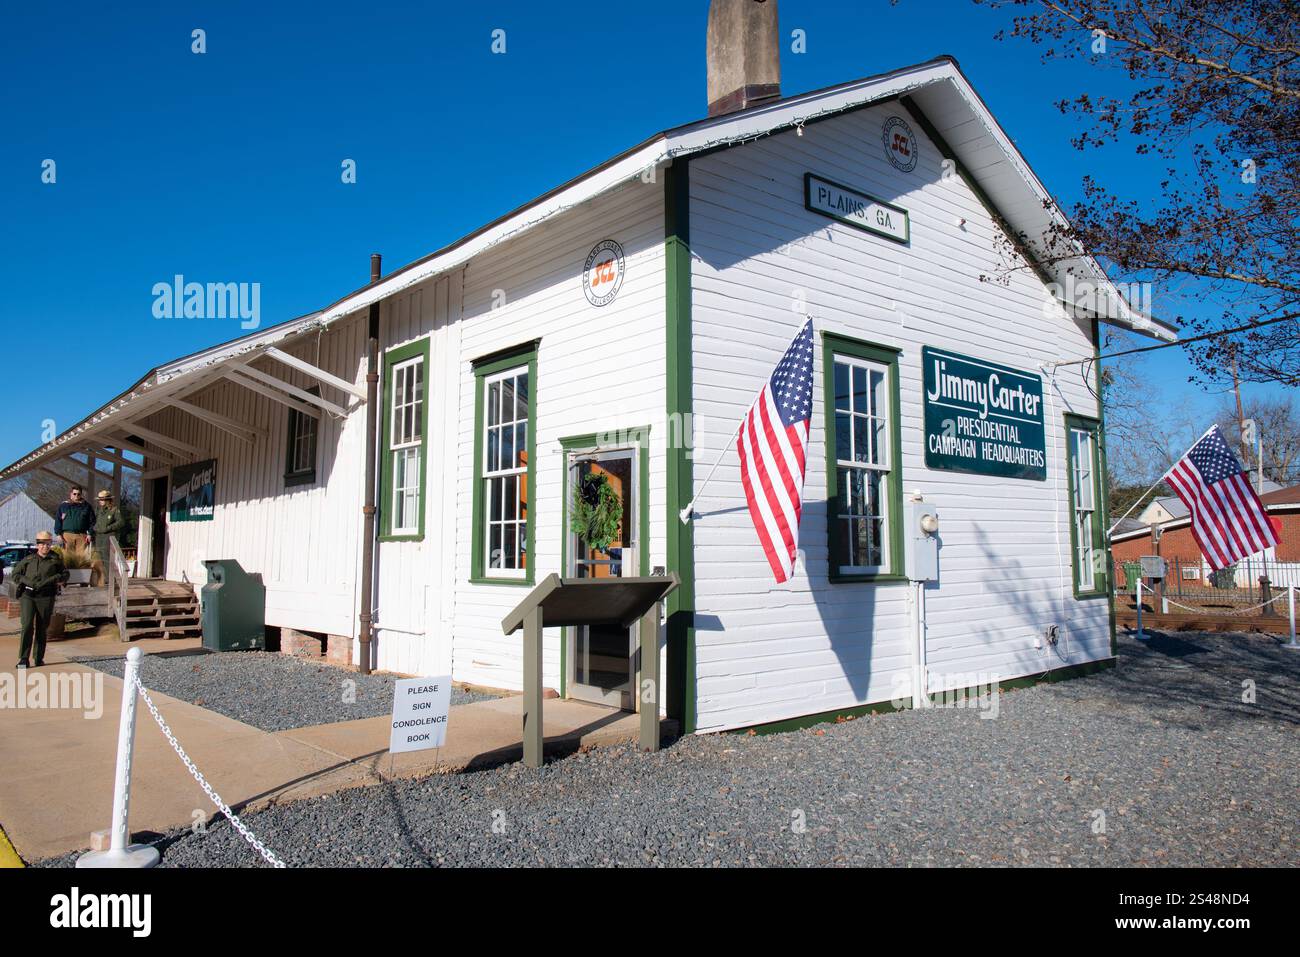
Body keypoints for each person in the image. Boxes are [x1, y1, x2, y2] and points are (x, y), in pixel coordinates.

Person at [12, 530, 67, 669]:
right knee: (27, 626)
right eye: (42, 544)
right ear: (37, 545)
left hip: (46, 597)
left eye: (48, 544)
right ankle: (23, 658)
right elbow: (15, 574)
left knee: (42, 628)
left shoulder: (55, 560)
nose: (45, 547)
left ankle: (38, 657)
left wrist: (57, 579)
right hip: (28, 596)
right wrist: (27, 581)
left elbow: (65, 573)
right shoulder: (28, 559)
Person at [90, 489, 126, 571]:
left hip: (109, 536)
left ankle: (110, 579)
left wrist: (109, 528)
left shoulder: (114, 510)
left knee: (107, 557)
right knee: (99, 556)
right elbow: (94, 521)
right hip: (99, 536)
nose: (100, 501)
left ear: (108, 500)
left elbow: (121, 522)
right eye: (99, 499)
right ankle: (102, 579)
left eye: (102, 499)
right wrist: (95, 528)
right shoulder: (98, 510)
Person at [54, 485, 96, 552]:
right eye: (74, 494)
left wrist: (90, 534)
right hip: (67, 536)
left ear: (81, 495)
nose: (76, 496)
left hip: (82, 536)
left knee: (80, 559)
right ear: (71, 494)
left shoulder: (87, 506)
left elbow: (92, 522)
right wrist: (58, 534)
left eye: (78, 494)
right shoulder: (63, 506)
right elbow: (58, 521)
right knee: (67, 559)